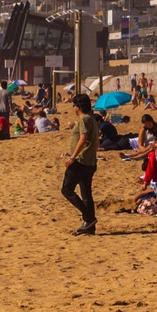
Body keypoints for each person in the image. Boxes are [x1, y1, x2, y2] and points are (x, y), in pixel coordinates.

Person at [61, 93, 98, 236]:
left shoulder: (84, 119)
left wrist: (73, 157)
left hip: (81, 162)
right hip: (89, 162)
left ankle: (89, 218)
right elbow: (94, 142)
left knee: (66, 189)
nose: (73, 108)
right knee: (86, 194)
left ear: (79, 107)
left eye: (74, 105)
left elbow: (83, 139)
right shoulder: (92, 119)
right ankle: (90, 227)